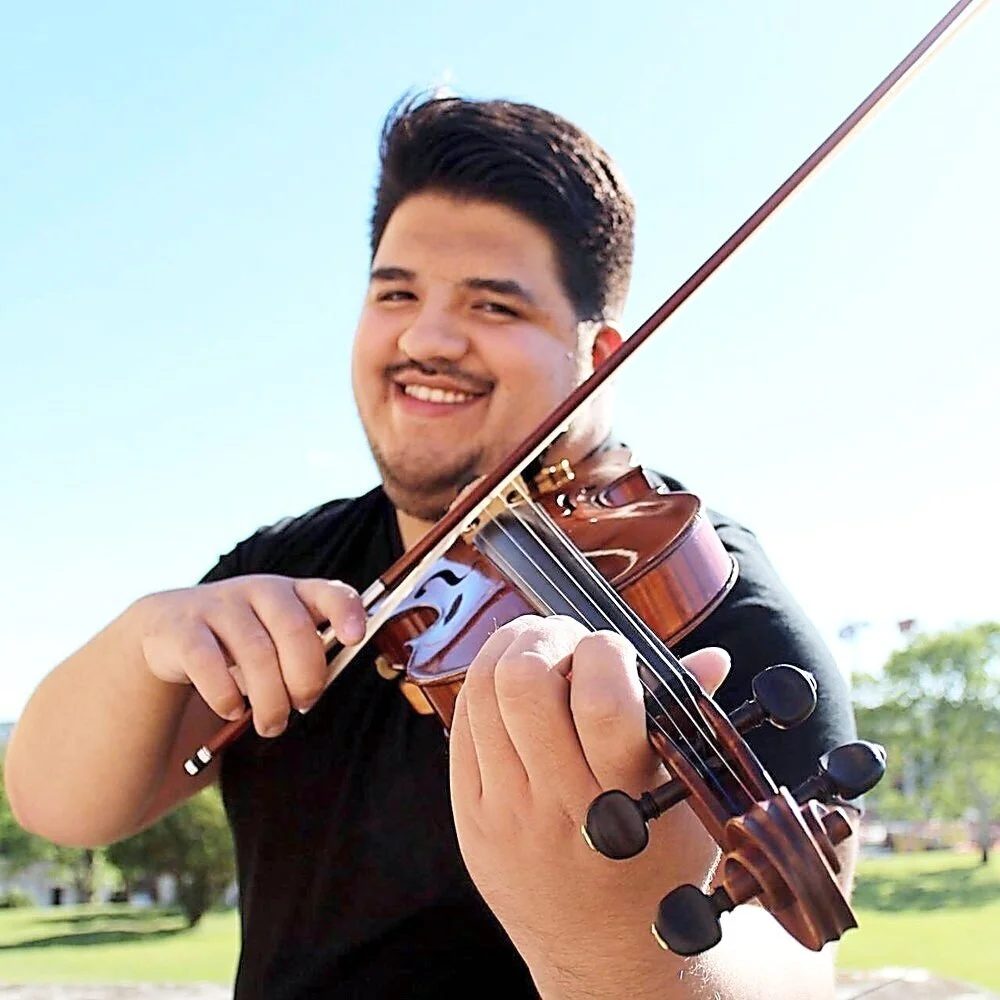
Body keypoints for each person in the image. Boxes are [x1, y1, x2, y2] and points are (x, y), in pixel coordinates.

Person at [4, 94, 859, 998]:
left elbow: (792, 971)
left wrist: (611, 945)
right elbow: (60, 805)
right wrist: (145, 641)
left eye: (494, 305)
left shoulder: (706, 595)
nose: (426, 337)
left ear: (600, 357)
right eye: (397, 293)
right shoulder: (289, 565)